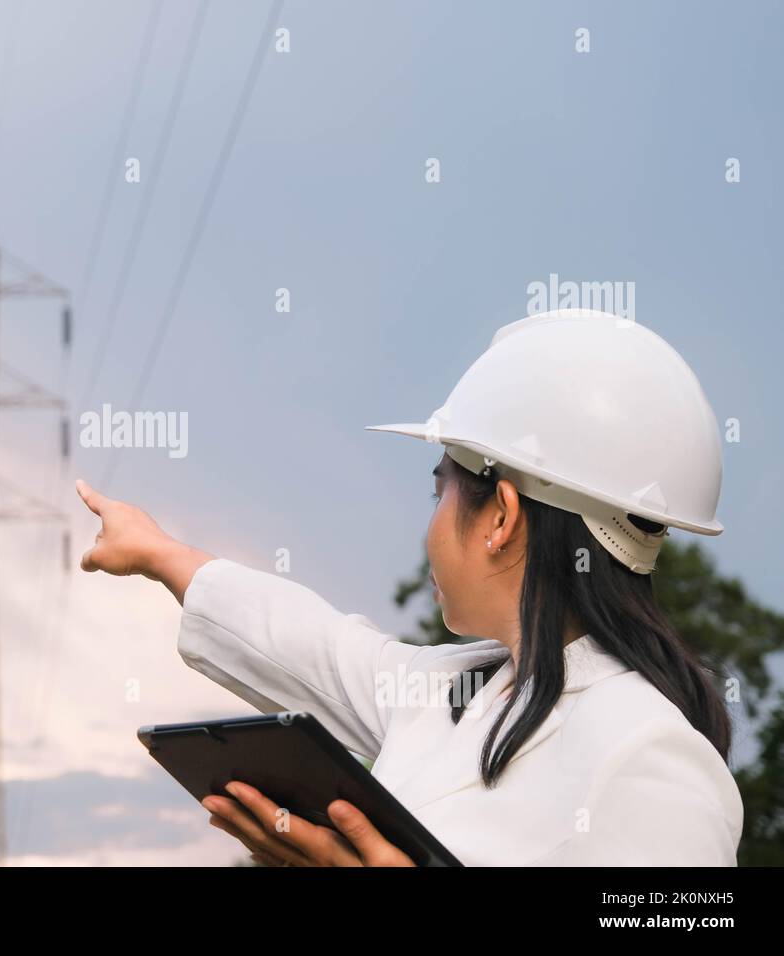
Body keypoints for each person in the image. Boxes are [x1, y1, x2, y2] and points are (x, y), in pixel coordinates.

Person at [77, 309, 743, 866]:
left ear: (501, 517)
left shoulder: (648, 756)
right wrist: (161, 554)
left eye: (439, 490)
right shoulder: (459, 690)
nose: (428, 525)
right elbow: (316, 646)